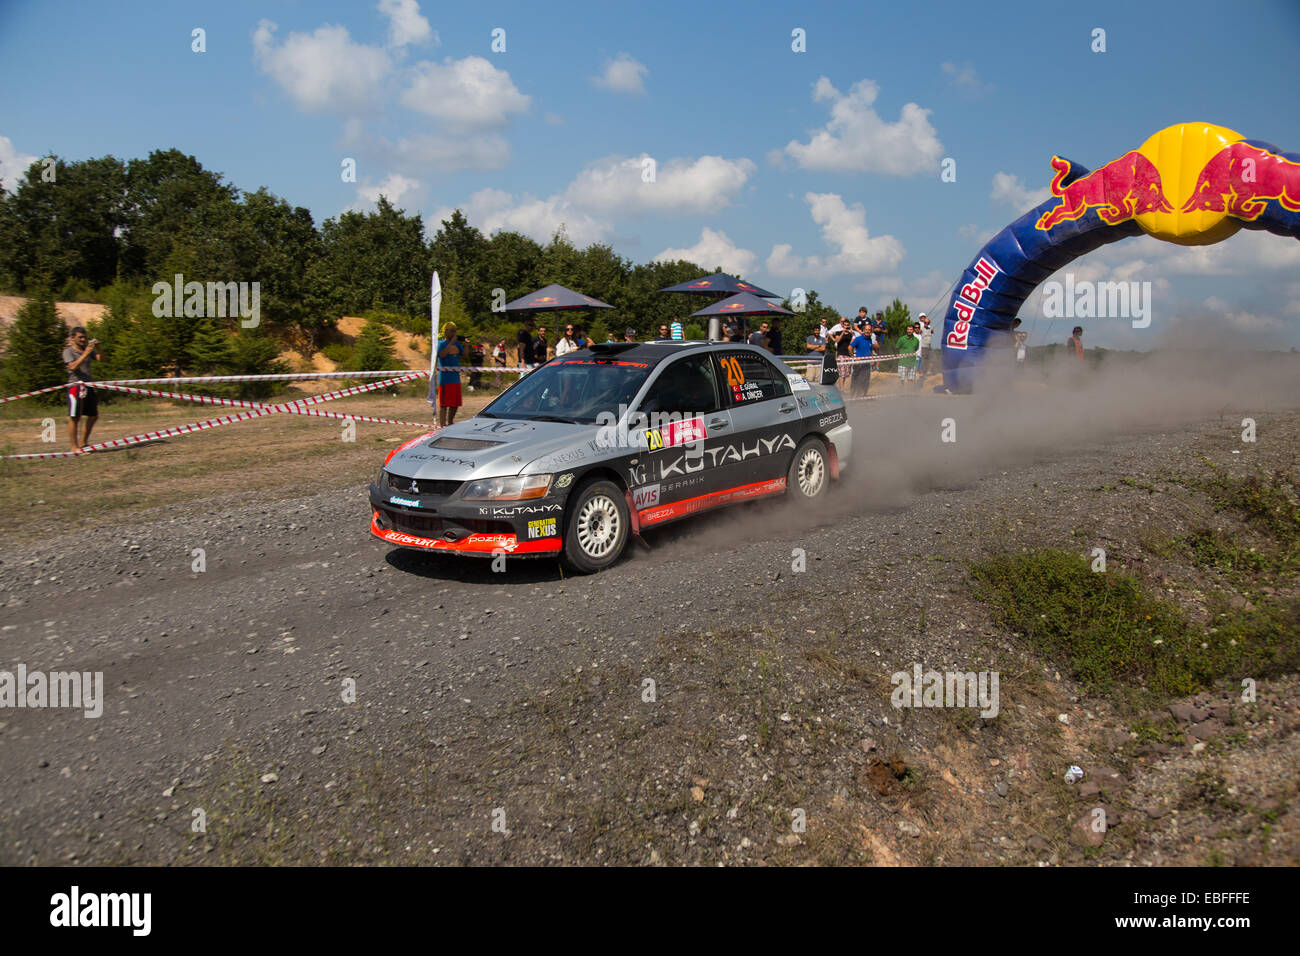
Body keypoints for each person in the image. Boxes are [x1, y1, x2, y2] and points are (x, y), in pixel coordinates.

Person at [63, 326, 101, 452]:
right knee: (74, 417)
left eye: (84, 337)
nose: (83, 340)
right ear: (73, 338)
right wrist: (85, 354)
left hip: (88, 385)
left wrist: (98, 348)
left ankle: (84, 442)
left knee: (93, 415)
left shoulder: (87, 349)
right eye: (80, 337)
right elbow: (72, 367)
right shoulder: (68, 351)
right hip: (75, 386)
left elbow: (102, 359)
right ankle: (74, 446)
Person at [435, 322, 465, 426]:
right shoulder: (441, 343)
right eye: (451, 331)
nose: (453, 333)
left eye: (455, 331)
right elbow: (441, 355)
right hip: (445, 379)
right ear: (445, 331)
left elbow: (464, 354)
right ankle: (442, 426)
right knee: (444, 404)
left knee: (455, 404)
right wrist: (451, 342)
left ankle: (450, 422)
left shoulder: (457, 344)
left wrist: (466, 344)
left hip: (455, 378)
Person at [849, 321, 874, 397]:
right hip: (858, 364)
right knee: (856, 381)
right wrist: (853, 357)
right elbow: (850, 348)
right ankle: (853, 396)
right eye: (866, 329)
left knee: (865, 381)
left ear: (871, 331)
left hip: (867, 364)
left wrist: (872, 359)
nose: (867, 331)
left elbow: (871, 350)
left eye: (869, 330)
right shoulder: (858, 339)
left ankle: (862, 396)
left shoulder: (870, 339)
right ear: (863, 330)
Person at [896, 323, 920, 387]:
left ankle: (909, 393)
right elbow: (897, 347)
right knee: (902, 380)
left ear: (913, 330)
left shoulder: (916, 340)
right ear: (906, 330)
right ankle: (901, 392)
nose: (909, 331)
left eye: (911, 329)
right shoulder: (902, 339)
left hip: (912, 362)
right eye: (908, 329)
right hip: (903, 362)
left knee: (911, 380)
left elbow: (916, 348)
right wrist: (899, 356)